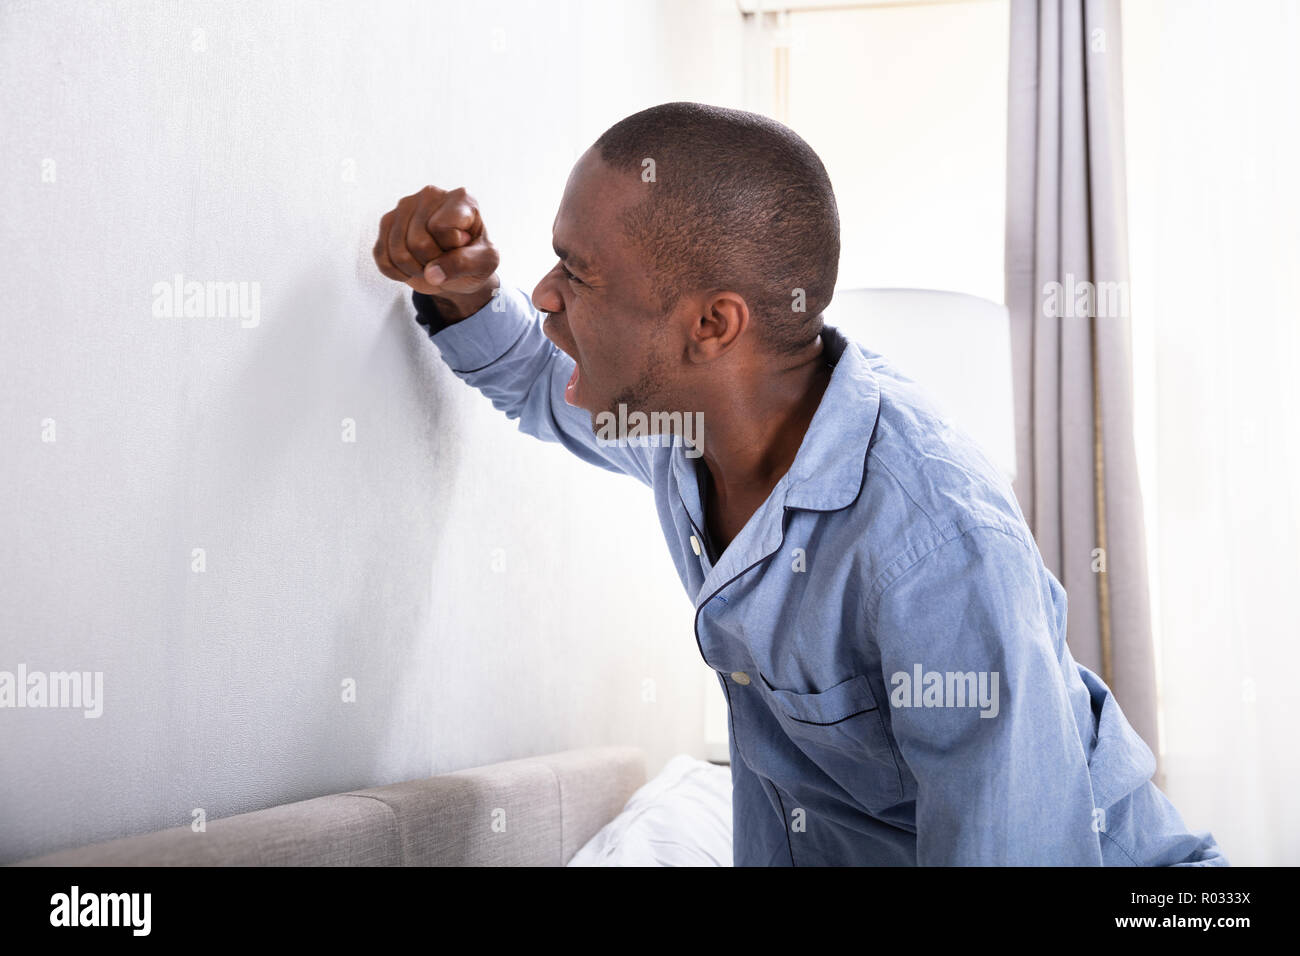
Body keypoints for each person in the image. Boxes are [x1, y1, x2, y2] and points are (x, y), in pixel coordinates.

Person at [372, 101, 1227, 867]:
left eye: (577, 273)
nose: (545, 293)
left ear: (713, 325)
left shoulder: (937, 546)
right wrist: (465, 292)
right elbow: (538, 380)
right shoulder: (686, 421)